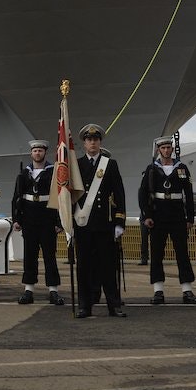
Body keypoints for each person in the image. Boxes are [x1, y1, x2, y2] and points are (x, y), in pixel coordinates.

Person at [138, 137, 196, 304]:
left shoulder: (181, 168)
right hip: (158, 214)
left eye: (168, 147)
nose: (166, 150)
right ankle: (158, 290)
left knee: (182, 252)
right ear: (159, 150)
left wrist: (190, 218)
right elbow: (143, 194)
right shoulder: (152, 169)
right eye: (163, 148)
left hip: (177, 214)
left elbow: (188, 193)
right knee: (157, 253)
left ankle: (187, 290)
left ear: (172, 149)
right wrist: (147, 216)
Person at [73, 123, 126, 318]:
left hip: (104, 224)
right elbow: (70, 195)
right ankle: (84, 306)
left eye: (95, 139)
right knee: (84, 267)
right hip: (83, 224)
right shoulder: (76, 165)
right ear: (84, 143)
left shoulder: (110, 164)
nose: (92, 142)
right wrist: (68, 222)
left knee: (107, 267)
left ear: (100, 142)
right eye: (89, 140)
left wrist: (120, 222)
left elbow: (119, 194)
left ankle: (114, 305)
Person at [12, 140, 64, 305]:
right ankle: (28, 290)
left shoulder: (53, 172)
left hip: (47, 215)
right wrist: (16, 219)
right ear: (31, 153)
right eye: (35, 151)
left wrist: (59, 221)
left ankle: (53, 291)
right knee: (30, 255)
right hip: (29, 216)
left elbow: (59, 198)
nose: (37, 153)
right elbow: (17, 198)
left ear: (45, 153)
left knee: (50, 255)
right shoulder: (23, 173)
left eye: (40, 150)